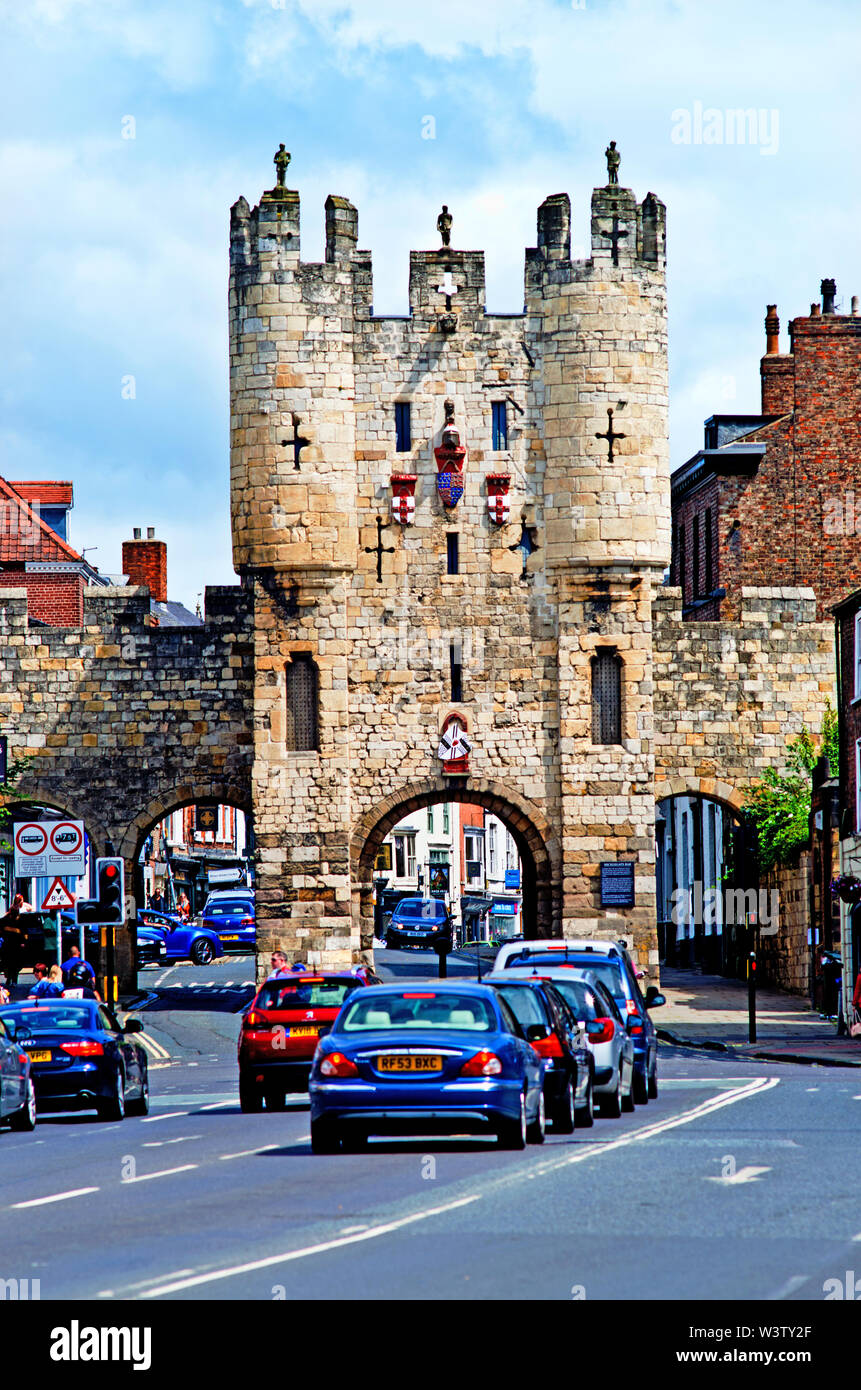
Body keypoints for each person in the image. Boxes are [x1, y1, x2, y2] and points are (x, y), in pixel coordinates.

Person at [0, 894, 27, 988]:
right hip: (7, 945)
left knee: (15, 964)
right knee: (7, 963)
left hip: (16, 946)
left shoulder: (21, 920)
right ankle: (9, 978)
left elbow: (24, 932)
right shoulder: (5, 919)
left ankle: (14, 980)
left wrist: (23, 942)